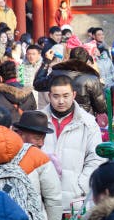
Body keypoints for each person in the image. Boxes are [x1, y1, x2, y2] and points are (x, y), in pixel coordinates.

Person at [41, 75, 104, 211]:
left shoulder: (88, 123)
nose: (61, 101)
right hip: (43, 203)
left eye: (66, 95)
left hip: (76, 203)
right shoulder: (38, 121)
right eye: (56, 96)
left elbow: (96, 158)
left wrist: (81, 185)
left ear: (74, 95)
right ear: (49, 96)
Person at [34, 47, 108, 116]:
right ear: (86, 60)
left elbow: (37, 85)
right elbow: (101, 108)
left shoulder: (56, 74)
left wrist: (46, 62)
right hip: (83, 117)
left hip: (59, 116)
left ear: (70, 58)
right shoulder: (92, 79)